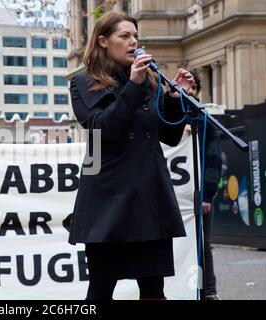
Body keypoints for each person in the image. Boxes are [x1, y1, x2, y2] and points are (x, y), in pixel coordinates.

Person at [68, 11, 195, 300]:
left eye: (135, 36)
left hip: (149, 199)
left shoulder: (149, 82)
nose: (133, 41)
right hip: (107, 201)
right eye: (124, 36)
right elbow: (102, 128)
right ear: (103, 41)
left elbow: (170, 135)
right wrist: (133, 85)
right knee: (101, 289)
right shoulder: (83, 83)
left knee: (153, 290)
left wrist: (175, 99)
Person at [184, 71, 222, 300]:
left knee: (202, 246)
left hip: (199, 195)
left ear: (196, 91)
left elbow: (214, 158)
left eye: (192, 88)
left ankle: (208, 291)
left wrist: (207, 194)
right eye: (184, 87)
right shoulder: (168, 117)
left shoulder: (204, 120)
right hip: (175, 194)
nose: (187, 92)